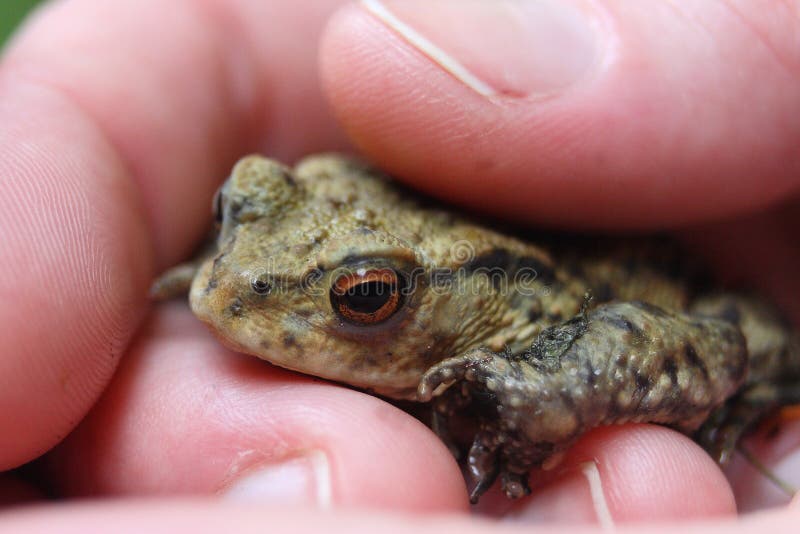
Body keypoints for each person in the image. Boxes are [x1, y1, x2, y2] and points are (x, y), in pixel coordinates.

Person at [0, 0, 798, 530]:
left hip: (661, 280)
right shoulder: (287, 214)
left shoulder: (522, 312)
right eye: (231, 214)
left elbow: (693, 342)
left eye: (365, 295)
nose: (234, 282)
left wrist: (536, 398)